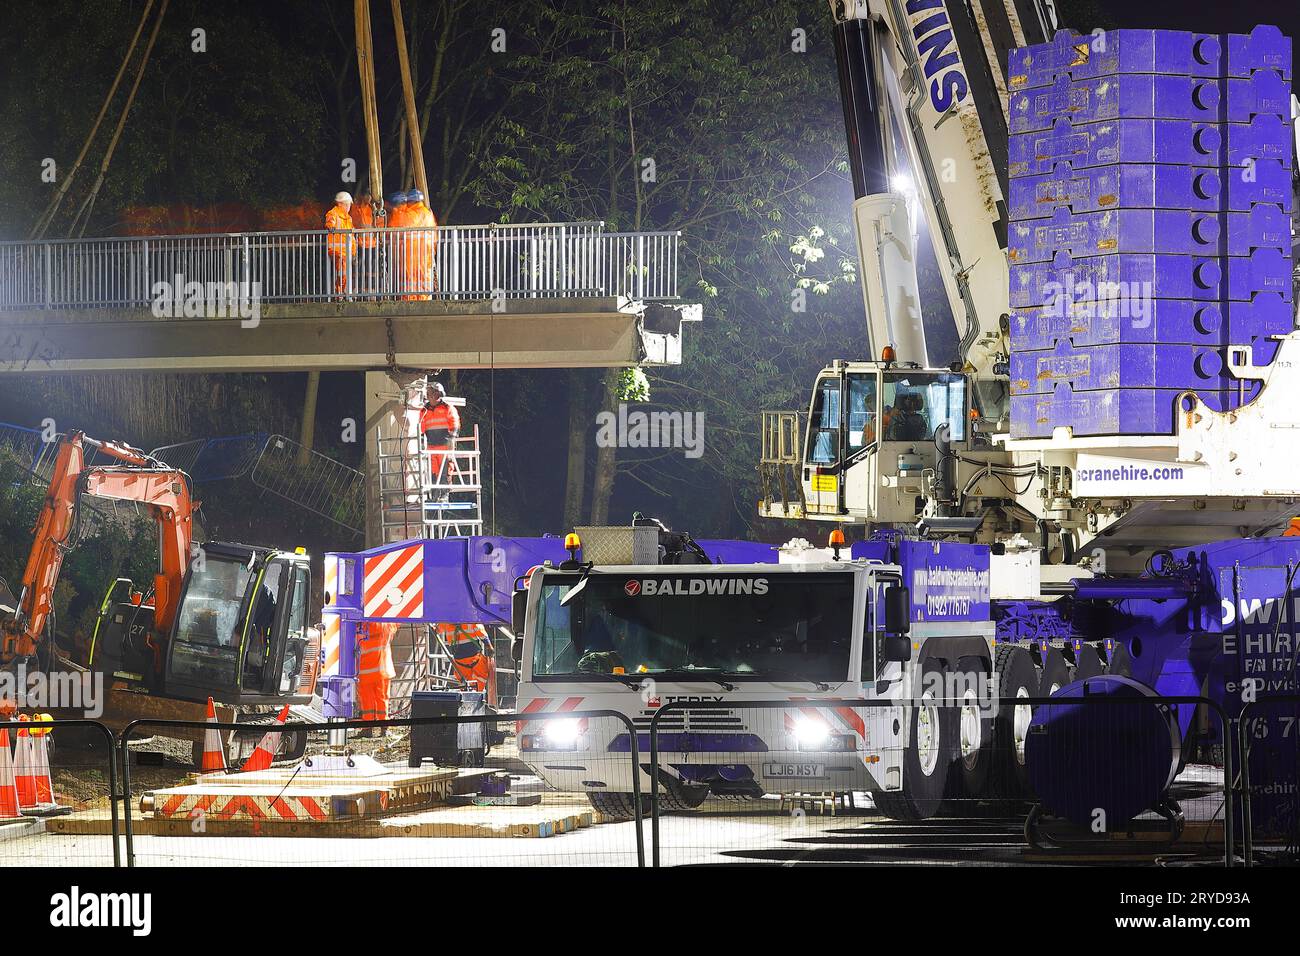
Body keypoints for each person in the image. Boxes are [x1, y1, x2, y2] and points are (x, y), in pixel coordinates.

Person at [419, 381, 460, 496]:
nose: (431, 395)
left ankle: (444, 494)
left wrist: (451, 440)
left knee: (445, 470)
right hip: (431, 446)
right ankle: (435, 494)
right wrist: (422, 442)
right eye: (429, 393)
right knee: (433, 471)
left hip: (445, 446)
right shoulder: (424, 410)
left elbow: (455, 425)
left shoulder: (448, 408)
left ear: (439, 394)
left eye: (433, 393)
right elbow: (421, 428)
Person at [356, 620, 397, 732]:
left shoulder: (359, 627)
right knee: (382, 698)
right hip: (382, 670)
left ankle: (367, 728)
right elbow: (396, 624)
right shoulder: (386, 623)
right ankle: (384, 728)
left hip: (365, 671)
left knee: (366, 701)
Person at [406, 188, 438, 299]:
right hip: (427, 255)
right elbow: (434, 235)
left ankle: (411, 301)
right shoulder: (428, 214)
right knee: (424, 280)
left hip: (412, 255)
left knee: (411, 281)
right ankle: (425, 300)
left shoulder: (410, 214)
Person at [324, 191, 354, 298]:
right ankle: (339, 294)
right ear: (340, 204)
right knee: (342, 271)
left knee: (345, 272)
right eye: (347, 204)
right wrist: (330, 226)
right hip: (336, 250)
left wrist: (353, 251)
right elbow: (329, 222)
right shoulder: (333, 213)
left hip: (346, 252)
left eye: (349, 204)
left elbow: (351, 237)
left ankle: (344, 293)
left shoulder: (348, 218)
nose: (348, 207)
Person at [350, 191, 379, 296]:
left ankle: (370, 290)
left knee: (371, 269)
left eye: (370, 196)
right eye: (367, 195)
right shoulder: (358, 209)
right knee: (360, 269)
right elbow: (358, 224)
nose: (369, 198)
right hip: (361, 244)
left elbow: (378, 225)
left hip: (372, 244)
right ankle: (359, 290)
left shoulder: (373, 209)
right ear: (362, 196)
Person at [385, 190, 412, 298]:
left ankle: (402, 297)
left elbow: (392, 231)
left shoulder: (398, 214)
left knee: (404, 277)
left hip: (403, 254)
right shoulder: (409, 214)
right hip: (404, 253)